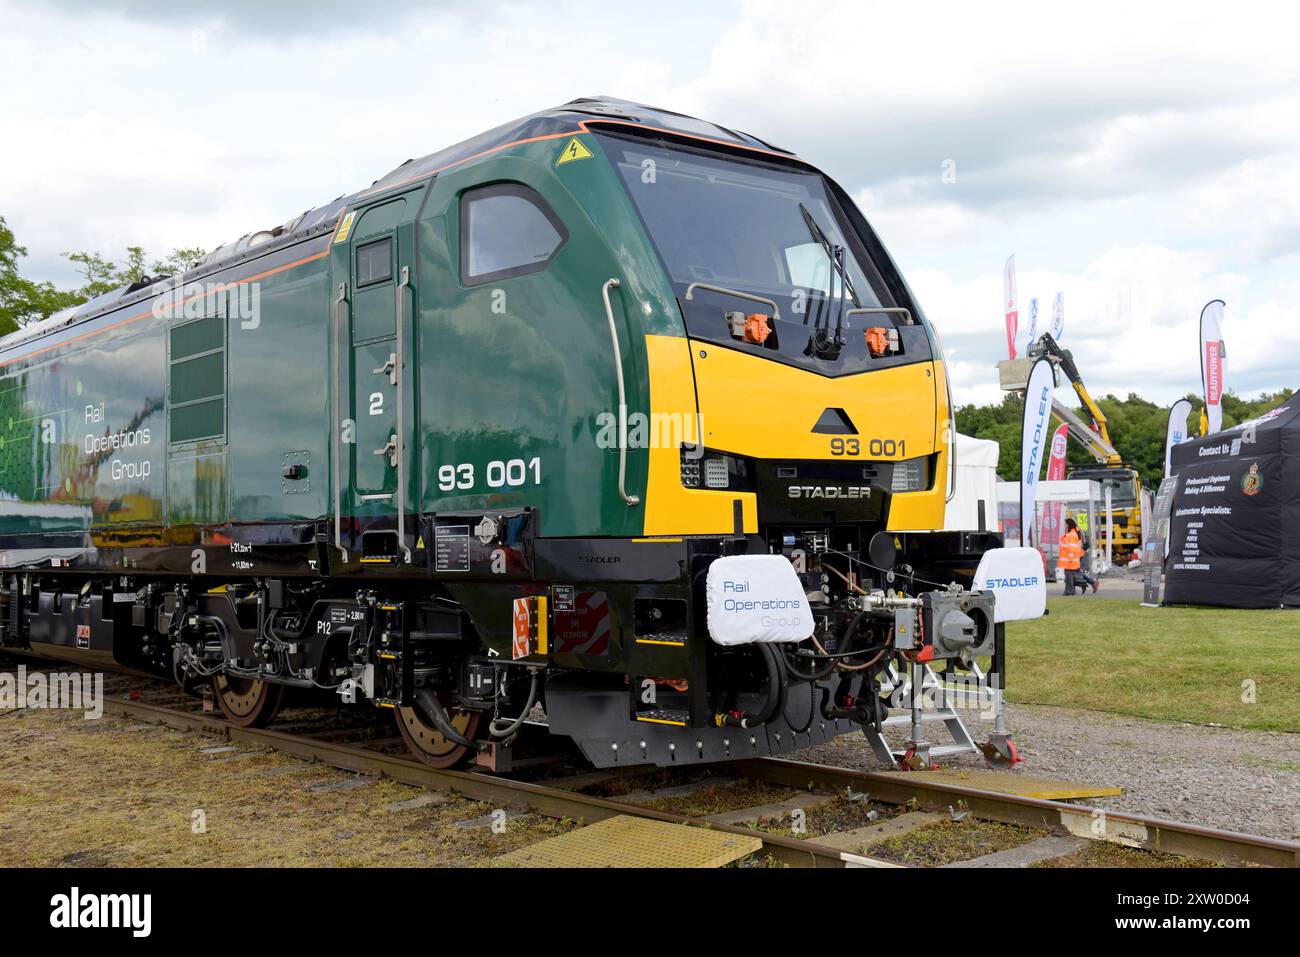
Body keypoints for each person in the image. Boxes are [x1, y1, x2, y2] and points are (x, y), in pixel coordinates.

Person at [1059, 517, 1098, 595]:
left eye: (1066, 524)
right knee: (1075, 573)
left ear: (1069, 524)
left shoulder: (1073, 534)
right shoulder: (1077, 532)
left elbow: (1072, 547)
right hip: (1076, 555)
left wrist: (1070, 557)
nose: (1065, 526)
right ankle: (1090, 583)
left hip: (1074, 557)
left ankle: (1072, 590)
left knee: (1073, 574)